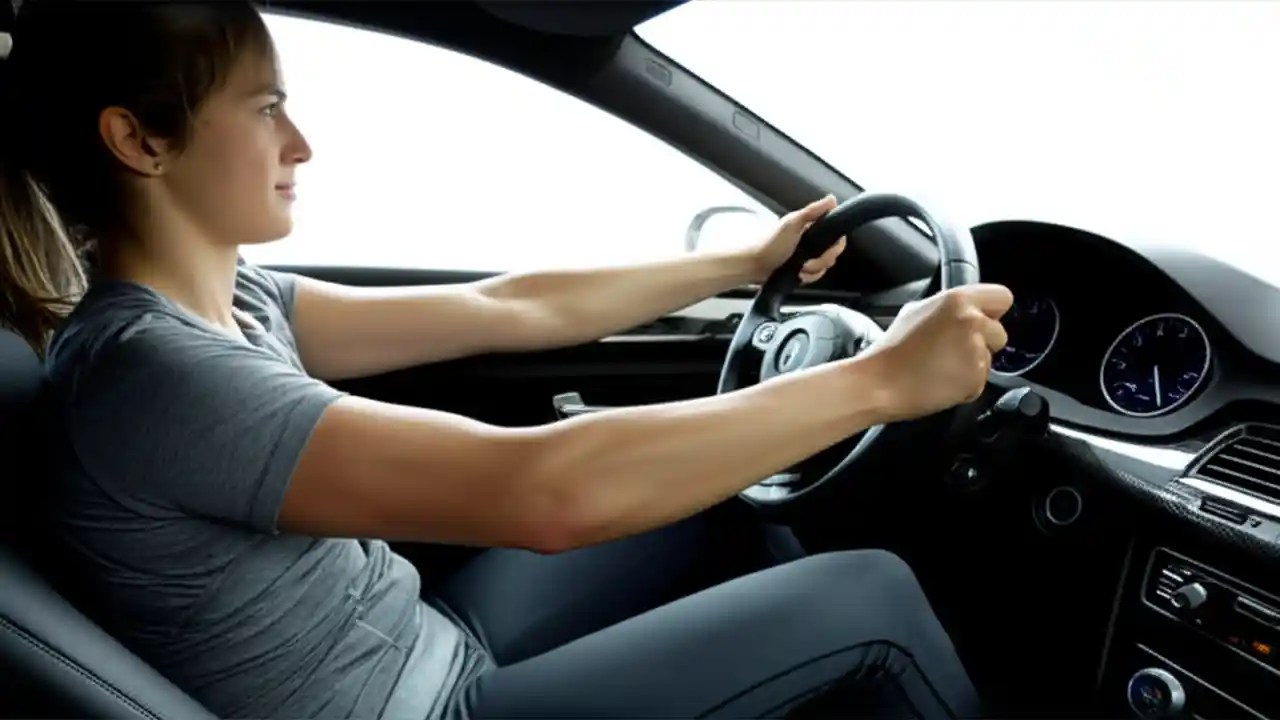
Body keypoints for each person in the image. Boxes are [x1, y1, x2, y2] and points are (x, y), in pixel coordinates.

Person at [0, 2, 1012, 719]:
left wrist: (745, 258)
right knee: (866, 598)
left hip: (433, 643)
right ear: (139, 139)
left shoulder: (238, 300)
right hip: (427, 707)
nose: (299, 143)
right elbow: (542, 493)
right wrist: (879, 380)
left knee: (720, 491)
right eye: (263, 109)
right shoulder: (150, 376)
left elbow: (510, 306)